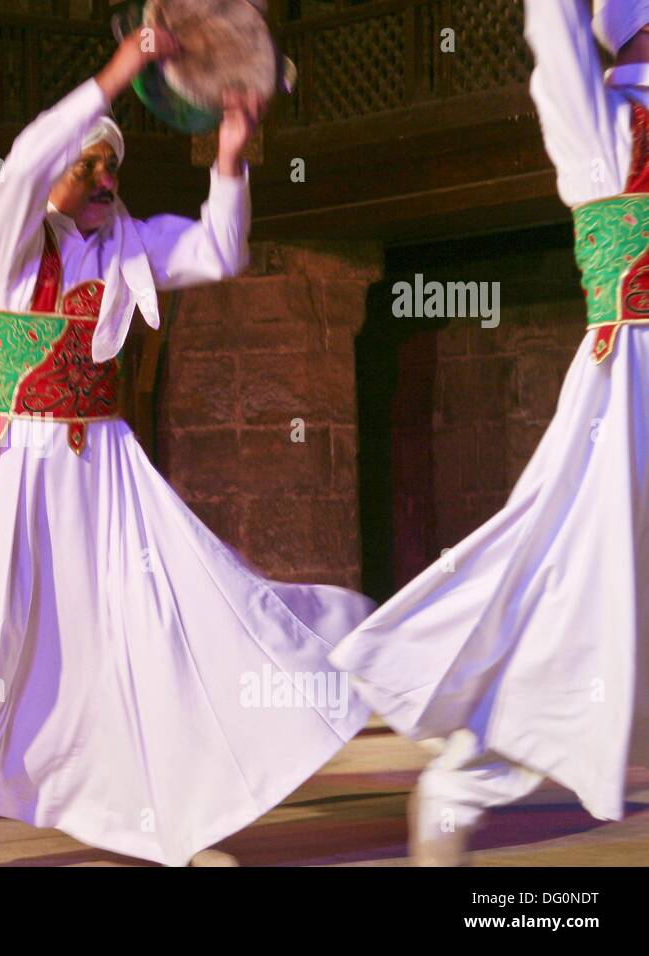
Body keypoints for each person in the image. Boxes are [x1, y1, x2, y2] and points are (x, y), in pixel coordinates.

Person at [0, 29, 374, 867]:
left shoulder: (127, 242)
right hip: (13, 463)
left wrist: (229, 155)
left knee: (154, 624)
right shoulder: (13, 233)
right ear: (46, 175)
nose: (103, 177)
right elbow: (43, 140)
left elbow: (218, 249)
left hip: (104, 465)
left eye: (110, 167)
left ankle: (177, 825)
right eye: (87, 165)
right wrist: (124, 68)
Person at [330, 0, 649, 866]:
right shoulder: (604, 121)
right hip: (633, 380)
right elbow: (551, 32)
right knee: (582, 593)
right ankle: (467, 776)